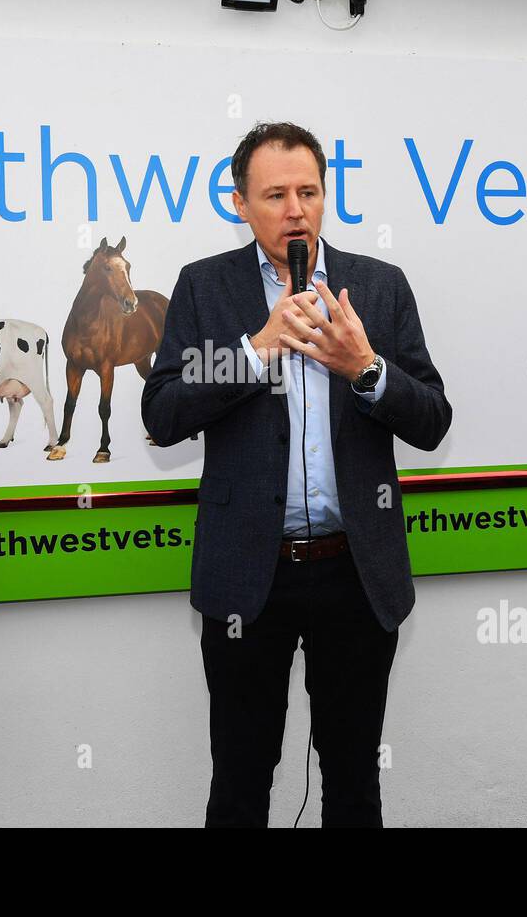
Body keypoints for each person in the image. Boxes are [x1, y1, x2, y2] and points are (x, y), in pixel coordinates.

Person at [142, 121, 452, 827]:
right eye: (275, 194)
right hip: (248, 579)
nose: (295, 209)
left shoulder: (378, 286)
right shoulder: (204, 287)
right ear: (240, 203)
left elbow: (432, 418)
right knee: (241, 780)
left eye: (308, 191)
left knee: (353, 779)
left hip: (355, 575)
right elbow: (162, 413)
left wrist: (364, 370)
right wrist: (254, 352)